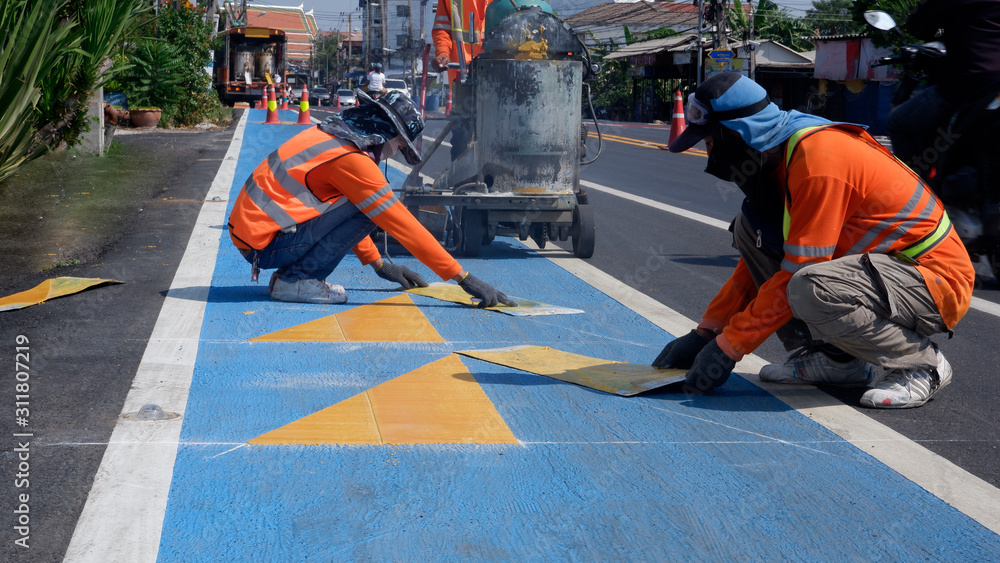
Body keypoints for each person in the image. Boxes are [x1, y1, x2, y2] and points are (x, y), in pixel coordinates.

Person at [655, 73, 975, 409]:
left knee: (810, 286)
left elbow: (797, 271)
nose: (711, 155)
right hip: (883, 273)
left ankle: (921, 363)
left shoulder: (817, 162)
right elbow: (759, 260)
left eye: (709, 142)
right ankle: (839, 362)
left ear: (738, 135)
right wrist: (706, 332)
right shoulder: (779, 158)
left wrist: (730, 347)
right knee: (749, 231)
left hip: (933, 279)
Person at [227, 89, 516, 308]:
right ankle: (295, 281)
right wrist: (463, 277)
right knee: (374, 208)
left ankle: (291, 277)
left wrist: (378, 264)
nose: (395, 153)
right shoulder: (352, 160)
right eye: (400, 145)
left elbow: (341, 216)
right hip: (266, 245)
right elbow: (401, 224)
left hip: (259, 238)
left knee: (365, 205)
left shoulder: (330, 136)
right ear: (387, 134)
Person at [885, 0, 1000, 175]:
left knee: (897, 124)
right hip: (992, 85)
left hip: (968, 82)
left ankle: (919, 193)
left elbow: (918, 27)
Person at [431, 0, 492, 159]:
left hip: (498, 73)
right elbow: (442, 29)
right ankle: (460, 181)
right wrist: (442, 53)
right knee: (463, 137)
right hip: (463, 74)